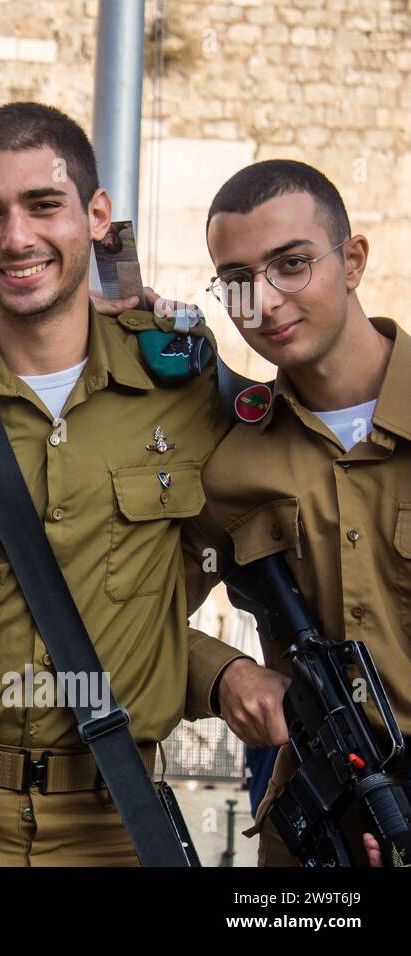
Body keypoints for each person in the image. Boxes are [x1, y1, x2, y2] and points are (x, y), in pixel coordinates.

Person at [0, 102, 246, 866]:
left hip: (115, 819)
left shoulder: (181, 383)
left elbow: (282, 497)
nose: (17, 238)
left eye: (44, 205)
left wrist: (226, 670)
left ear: (97, 214)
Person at [186, 159, 411, 867]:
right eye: (238, 283)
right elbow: (132, 612)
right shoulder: (231, 462)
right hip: (317, 841)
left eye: (291, 264)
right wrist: (224, 675)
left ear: (353, 261)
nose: (268, 302)